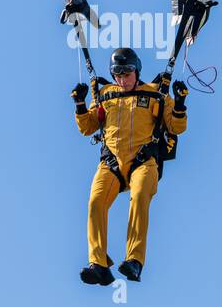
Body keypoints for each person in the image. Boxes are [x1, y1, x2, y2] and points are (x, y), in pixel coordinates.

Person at [71, 47, 188, 285]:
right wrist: (81, 104)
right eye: (117, 74)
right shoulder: (105, 94)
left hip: (143, 162)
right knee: (95, 202)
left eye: (127, 73)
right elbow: (88, 127)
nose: (122, 79)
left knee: (140, 195)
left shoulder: (156, 94)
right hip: (111, 163)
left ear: (137, 71)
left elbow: (176, 127)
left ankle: (134, 260)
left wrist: (180, 103)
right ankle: (99, 265)